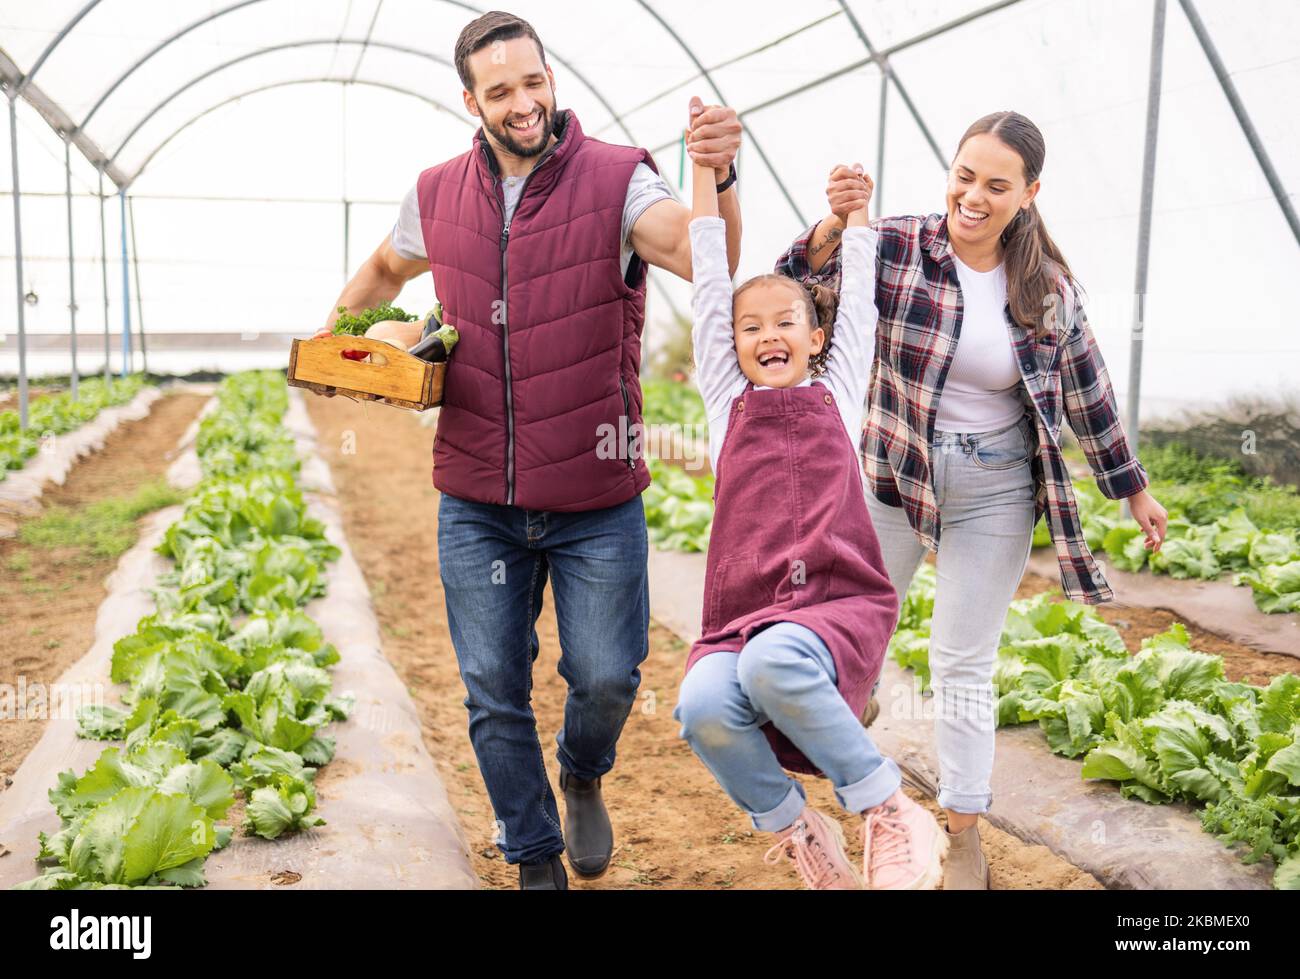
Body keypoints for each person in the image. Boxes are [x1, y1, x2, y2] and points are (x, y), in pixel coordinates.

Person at [312, 11, 744, 890]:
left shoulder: (620, 179)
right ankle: (532, 850)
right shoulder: (435, 192)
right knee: (491, 690)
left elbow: (710, 262)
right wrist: (337, 339)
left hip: (594, 496)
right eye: (501, 90)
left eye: (534, 82)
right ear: (470, 99)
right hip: (476, 497)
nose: (523, 102)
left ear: (551, 79)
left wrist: (721, 174)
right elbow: (387, 274)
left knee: (606, 675)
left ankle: (584, 770)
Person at [775, 111, 1169, 889]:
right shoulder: (895, 245)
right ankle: (856, 724)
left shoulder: (1045, 287)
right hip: (892, 474)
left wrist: (1133, 489)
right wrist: (832, 222)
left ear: (1029, 194)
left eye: (996, 184)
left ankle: (963, 833)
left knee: (962, 664)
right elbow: (799, 292)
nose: (974, 196)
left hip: (995, 489)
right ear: (949, 173)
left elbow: (1089, 389)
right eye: (965, 176)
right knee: (847, 630)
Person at [672, 139, 948, 889]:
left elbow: (860, 295)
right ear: (730, 347)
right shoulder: (728, 402)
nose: (768, 335)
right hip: (744, 610)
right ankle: (800, 829)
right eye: (751, 326)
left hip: (833, 602)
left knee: (774, 663)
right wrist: (701, 169)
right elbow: (707, 281)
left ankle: (888, 806)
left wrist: (857, 215)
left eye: (785, 322)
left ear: (816, 338)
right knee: (700, 704)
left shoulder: (842, 387)